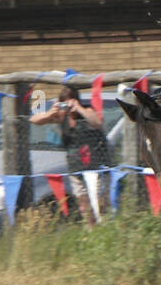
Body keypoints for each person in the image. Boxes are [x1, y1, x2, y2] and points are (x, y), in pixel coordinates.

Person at [31, 85, 111, 223]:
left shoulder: (86, 111)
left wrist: (78, 108)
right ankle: (90, 231)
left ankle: (105, 228)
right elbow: (34, 120)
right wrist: (50, 113)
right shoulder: (61, 117)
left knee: (100, 202)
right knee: (83, 204)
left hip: (97, 165)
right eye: (64, 102)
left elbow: (97, 122)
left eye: (69, 102)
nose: (67, 107)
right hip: (76, 166)